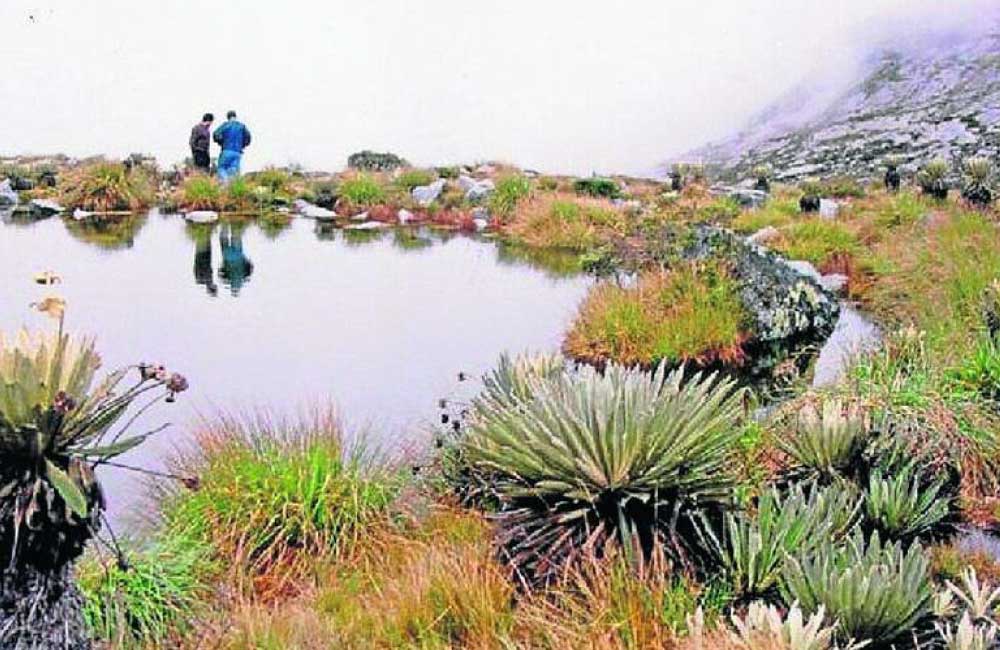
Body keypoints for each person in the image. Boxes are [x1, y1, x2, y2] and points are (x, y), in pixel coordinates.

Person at [213, 110, 252, 182]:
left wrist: (221, 142)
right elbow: (248, 138)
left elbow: (215, 134)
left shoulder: (225, 125)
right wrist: (242, 145)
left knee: (222, 168)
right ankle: (231, 188)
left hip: (227, 150)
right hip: (237, 152)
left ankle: (225, 185)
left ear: (228, 117)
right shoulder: (242, 126)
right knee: (233, 172)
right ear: (235, 117)